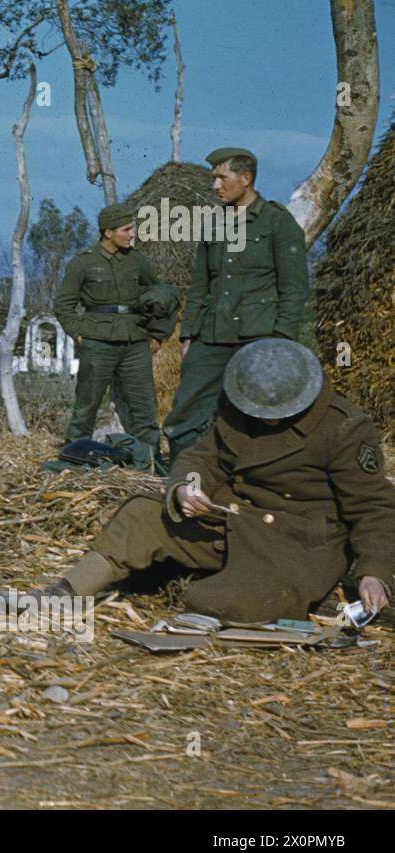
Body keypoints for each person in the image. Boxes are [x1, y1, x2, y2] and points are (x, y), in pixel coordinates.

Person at [20, 340, 394, 624]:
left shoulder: (343, 427)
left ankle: (202, 584)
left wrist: (374, 573)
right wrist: (188, 487)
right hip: (233, 518)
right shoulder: (238, 405)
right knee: (141, 516)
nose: (259, 418)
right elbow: (202, 458)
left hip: (297, 542)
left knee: (224, 604)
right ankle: (66, 593)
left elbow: (374, 508)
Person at [162, 147, 308, 463]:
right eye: (213, 178)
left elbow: (294, 289)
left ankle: (258, 485)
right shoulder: (214, 223)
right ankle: (183, 483)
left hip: (259, 338)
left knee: (261, 417)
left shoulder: (278, 223)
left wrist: (281, 341)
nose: (215, 186)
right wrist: (188, 334)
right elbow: (200, 284)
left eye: (221, 178)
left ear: (246, 178)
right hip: (211, 336)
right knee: (184, 417)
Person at [53, 204, 173, 469]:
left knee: (145, 407)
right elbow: (63, 305)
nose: (132, 234)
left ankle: (151, 462)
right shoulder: (83, 262)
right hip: (97, 342)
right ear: (108, 232)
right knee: (87, 405)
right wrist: (79, 334)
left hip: (134, 342)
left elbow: (162, 295)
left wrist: (157, 333)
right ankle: (73, 458)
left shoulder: (137, 260)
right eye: (126, 229)